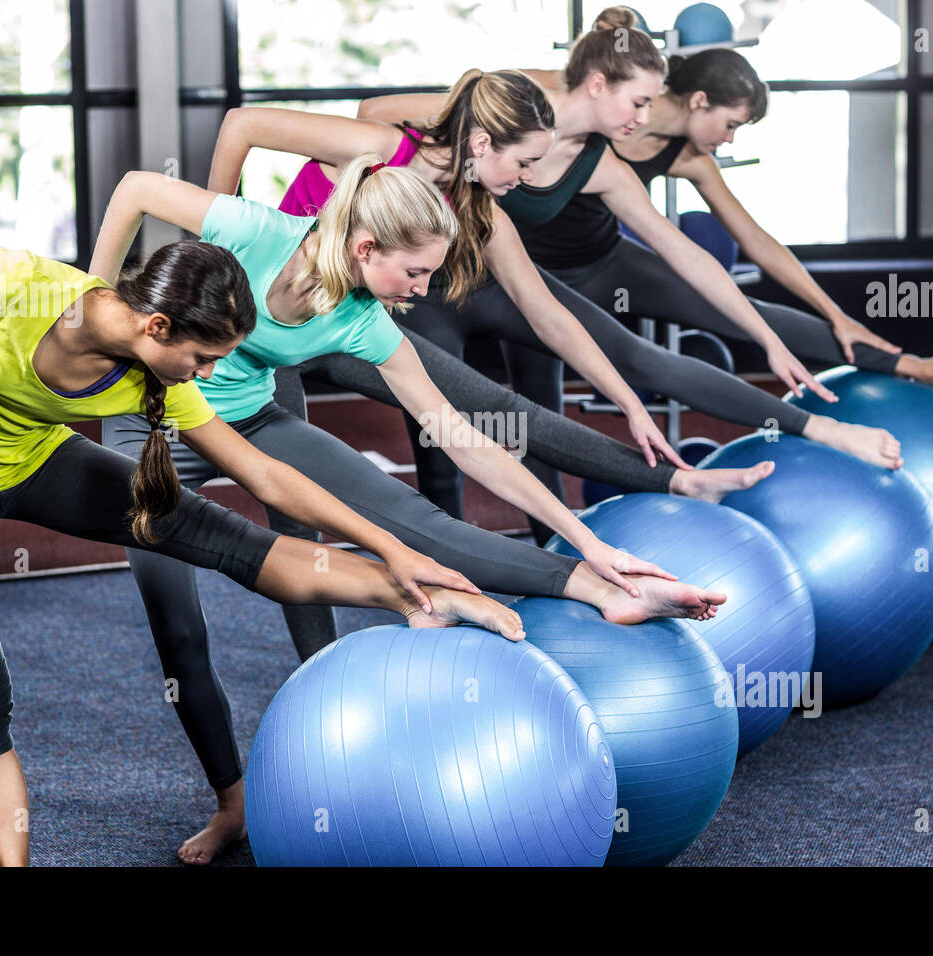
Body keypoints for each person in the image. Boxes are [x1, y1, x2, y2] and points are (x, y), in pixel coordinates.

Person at [93, 155, 730, 863]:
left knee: (411, 521)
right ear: (366, 248)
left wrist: (587, 542)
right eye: (416, 273)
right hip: (152, 427)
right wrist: (92, 299)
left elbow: (463, 440)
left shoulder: (367, 323)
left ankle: (601, 588)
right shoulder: (254, 231)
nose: (422, 291)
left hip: (252, 421)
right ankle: (232, 801)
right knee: (177, 630)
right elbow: (136, 188)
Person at [0, 238, 523, 866]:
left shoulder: (158, 374)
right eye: (204, 359)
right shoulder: (23, 286)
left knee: (224, 537)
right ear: (156, 326)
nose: (208, 374)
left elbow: (264, 477)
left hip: (32, 458)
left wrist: (393, 550)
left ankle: (420, 597)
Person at [355, 15, 933, 526]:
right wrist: (369, 209)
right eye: (639, 101)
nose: (645, 115)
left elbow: (688, 253)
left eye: (652, 101)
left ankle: (560, 551)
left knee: (594, 386)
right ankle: (449, 572)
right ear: (598, 85)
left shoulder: (607, 164)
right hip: (446, 284)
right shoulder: (513, 107)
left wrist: (767, 337)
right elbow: (380, 118)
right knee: (455, 433)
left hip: (539, 281)